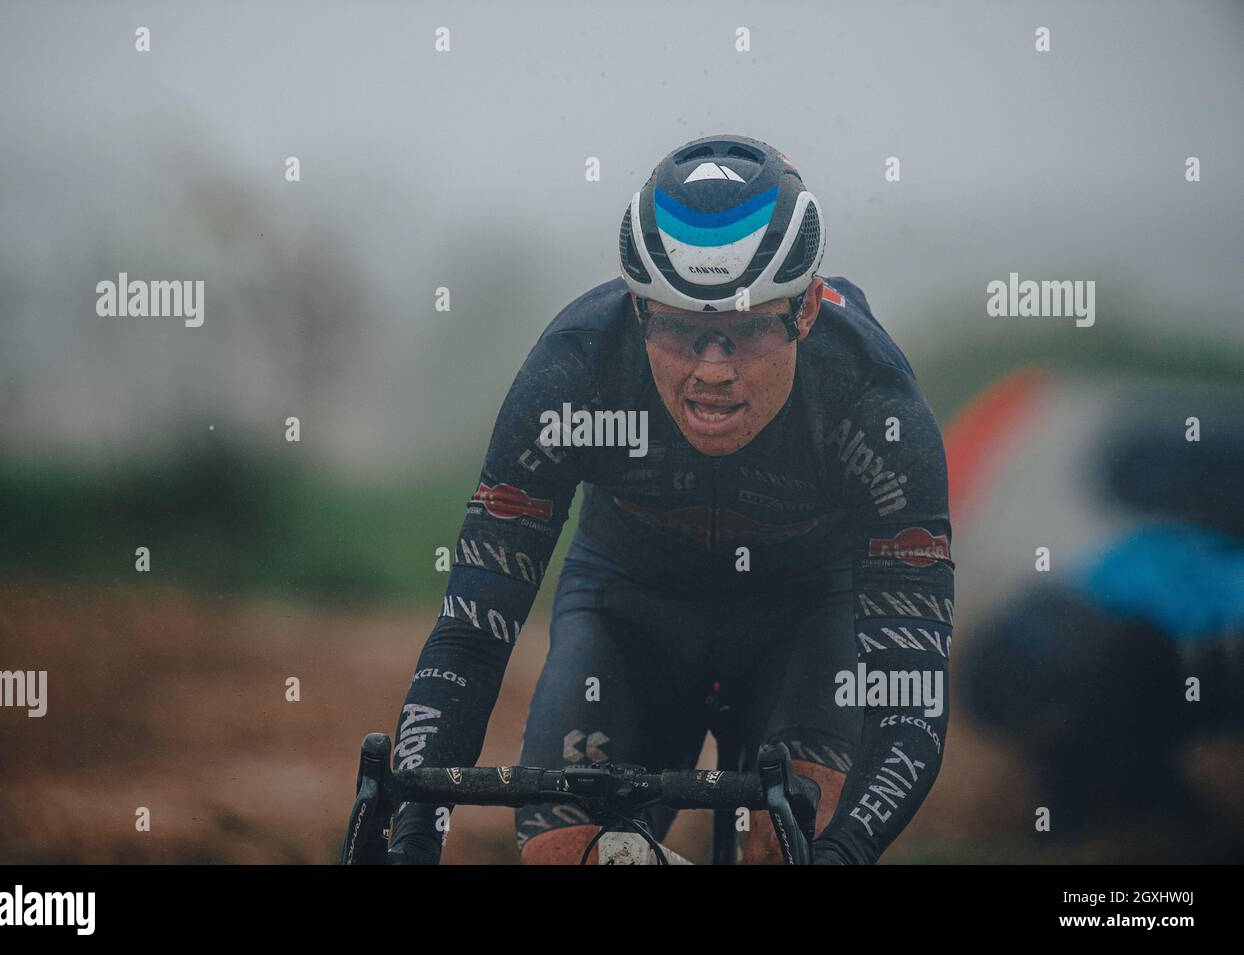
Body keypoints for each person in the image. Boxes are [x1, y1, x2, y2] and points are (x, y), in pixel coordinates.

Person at [386, 134, 955, 864]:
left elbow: (910, 707)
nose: (712, 370)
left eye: (746, 330)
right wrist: (408, 840)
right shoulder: (576, 371)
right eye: (682, 329)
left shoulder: (873, 403)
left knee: (793, 847)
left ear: (807, 309)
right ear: (638, 305)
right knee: (565, 855)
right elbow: (470, 637)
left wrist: (841, 854)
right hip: (629, 613)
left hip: (806, 622)